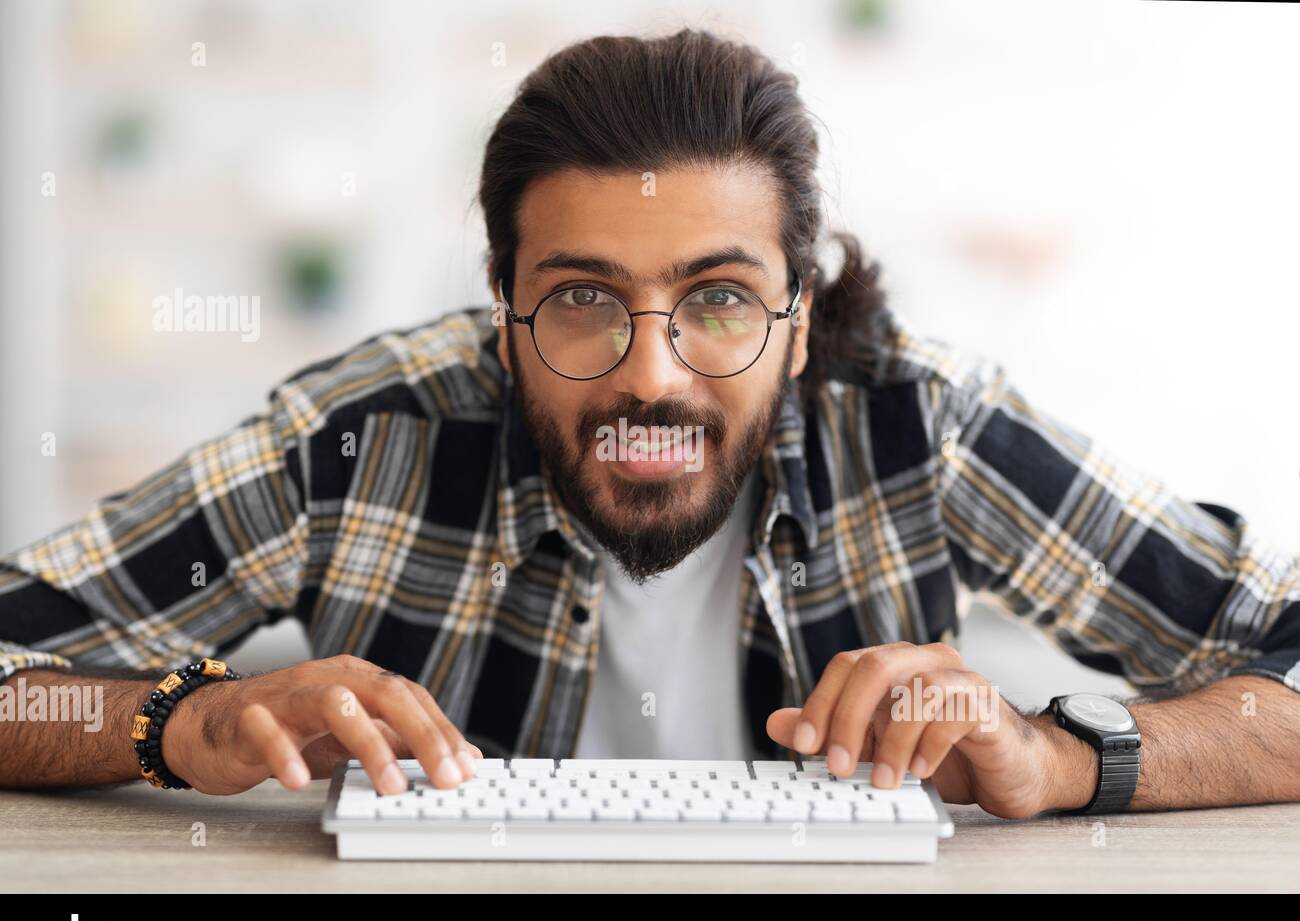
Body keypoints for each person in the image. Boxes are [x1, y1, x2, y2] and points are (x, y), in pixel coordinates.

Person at [1, 29, 1296, 818]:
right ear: (502, 311)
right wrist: (170, 725)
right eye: (581, 300)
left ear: (801, 316)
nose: (653, 377)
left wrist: (1059, 759)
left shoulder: (917, 421)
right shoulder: (356, 440)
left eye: (719, 299)